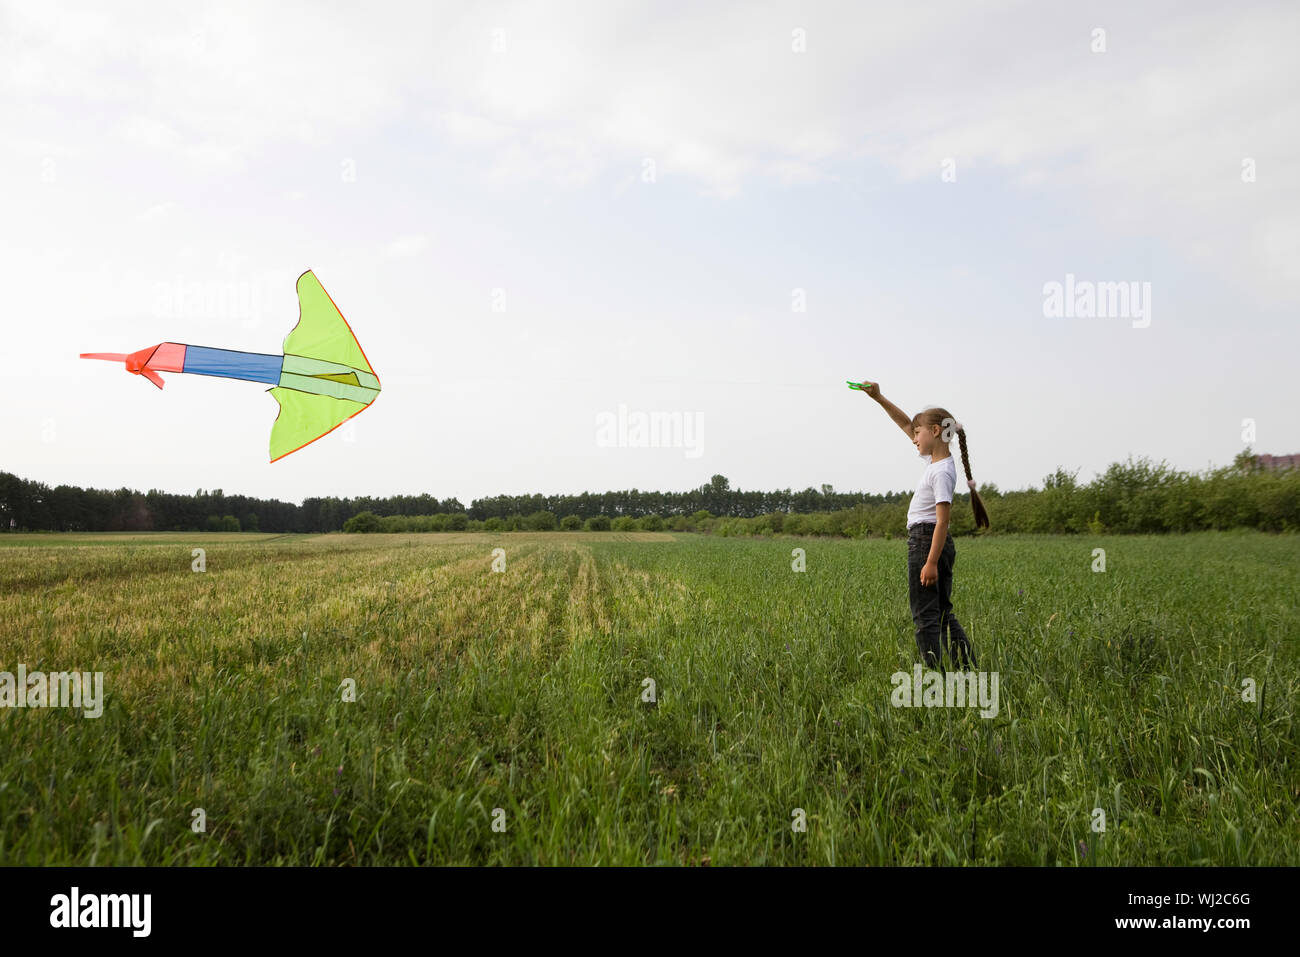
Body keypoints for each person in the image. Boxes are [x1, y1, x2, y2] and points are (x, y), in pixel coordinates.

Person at [857, 382, 989, 670]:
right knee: (941, 613)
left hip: (927, 541)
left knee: (925, 617)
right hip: (932, 541)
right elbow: (905, 422)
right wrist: (878, 397)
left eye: (918, 433)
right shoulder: (937, 461)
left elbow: (943, 521)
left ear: (936, 432)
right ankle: (967, 670)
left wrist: (929, 562)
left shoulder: (941, 471)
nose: (914, 437)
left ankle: (935, 678)